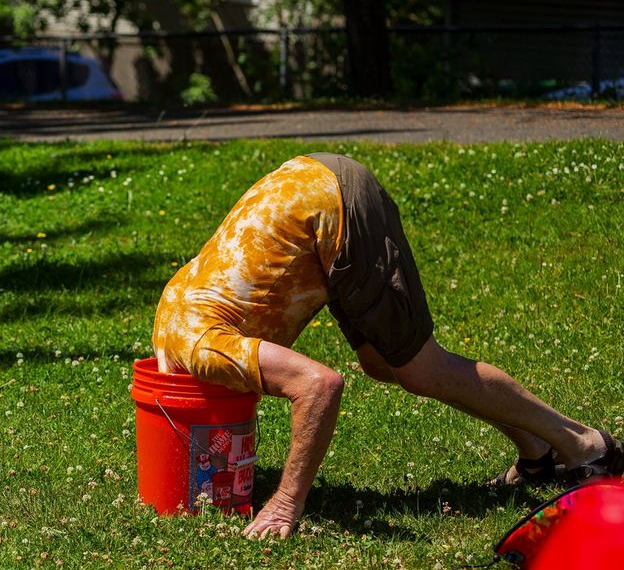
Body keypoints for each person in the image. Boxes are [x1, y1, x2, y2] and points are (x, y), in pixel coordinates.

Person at [152, 153, 623, 540]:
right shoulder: (168, 330)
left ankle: (584, 445)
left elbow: (319, 386)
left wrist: (284, 503)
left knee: (421, 368)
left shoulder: (201, 350)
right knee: (382, 364)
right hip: (304, 191)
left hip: (334, 206)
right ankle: (536, 449)